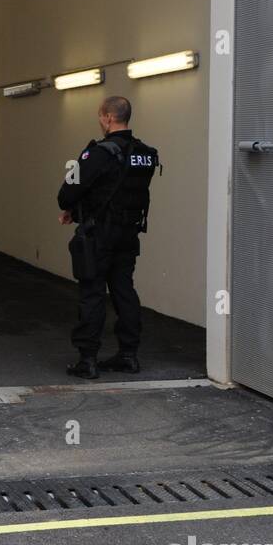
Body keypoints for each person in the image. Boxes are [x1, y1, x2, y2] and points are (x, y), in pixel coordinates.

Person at [56, 95, 160, 379]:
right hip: (128, 233)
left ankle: (87, 359)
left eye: (100, 116)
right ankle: (128, 355)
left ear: (107, 118)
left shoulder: (98, 153)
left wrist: (71, 209)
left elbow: (68, 193)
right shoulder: (145, 154)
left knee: (92, 292)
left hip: (99, 235)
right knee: (124, 290)